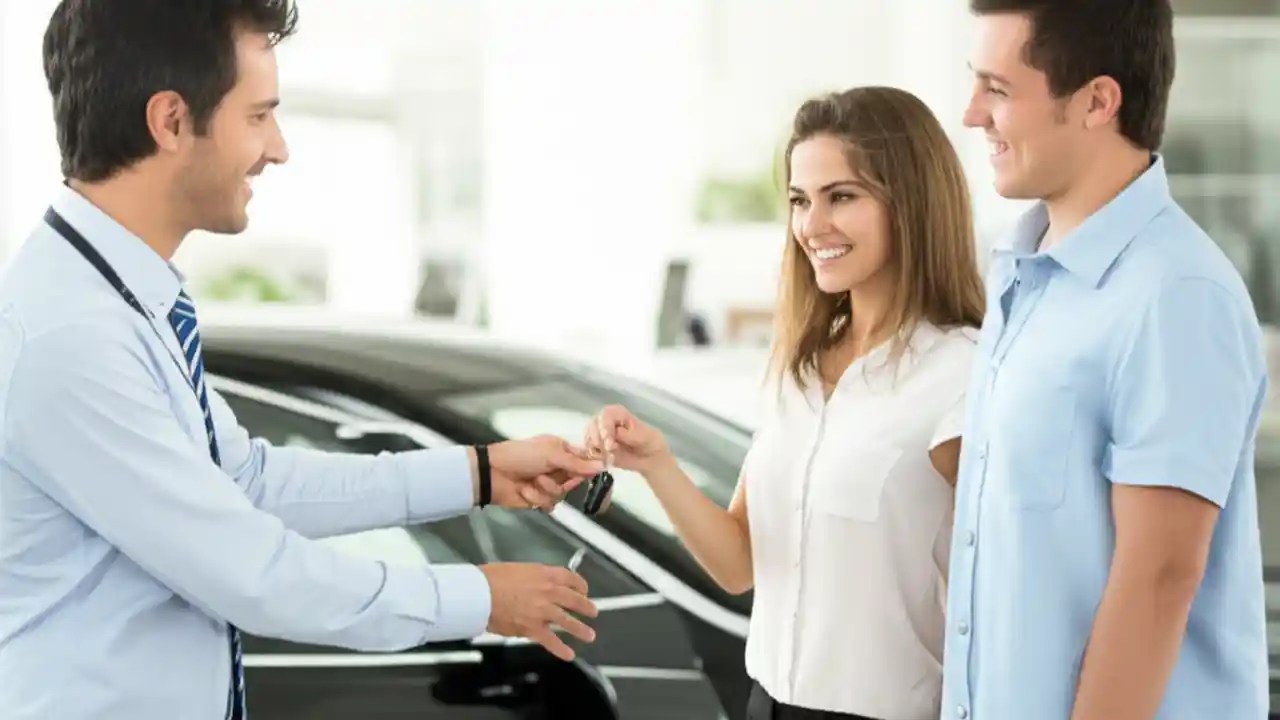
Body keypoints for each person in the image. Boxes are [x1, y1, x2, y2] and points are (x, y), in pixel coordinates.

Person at [0, 2, 603, 718]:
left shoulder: (114, 300)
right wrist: (481, 598)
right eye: (258, 117)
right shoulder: (70, 335)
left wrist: (478, 472)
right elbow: (254, 574)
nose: (278, 148)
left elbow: (244, 482)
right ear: (169, 121)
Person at [586, 86, 985, 720]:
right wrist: (658, 463)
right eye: (800, 200)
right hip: (766, 704)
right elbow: (741, 564)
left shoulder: (963, 375)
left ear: (910, 203)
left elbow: (1003, 602)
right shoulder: (798, 368)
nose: (811, 225)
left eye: (842, 197)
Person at [943, 2, 1268, 718]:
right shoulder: (1020, 272)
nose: (971, 114)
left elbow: (1159, 579)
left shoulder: (1176, 295)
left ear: (1097, 101)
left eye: (997, 88)